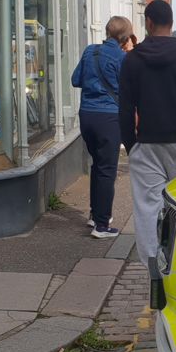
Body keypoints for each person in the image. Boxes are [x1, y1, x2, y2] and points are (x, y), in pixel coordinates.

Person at [119, 0, 176, 266]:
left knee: (148, 209)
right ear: (171, 22)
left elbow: (125, 109)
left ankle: (154, 269)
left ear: (148, 23)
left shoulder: (133, 59)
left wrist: (131, 145)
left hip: (146, 143)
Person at [71, 16, 133, 239]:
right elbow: (128, 89)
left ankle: (95, 214)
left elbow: (75, 80)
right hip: (109, 118)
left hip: (86, 115)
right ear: (125, 37)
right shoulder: (122, 58)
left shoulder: (90, 51)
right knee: (107, 169)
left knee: (97, 165)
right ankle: (102, 225)